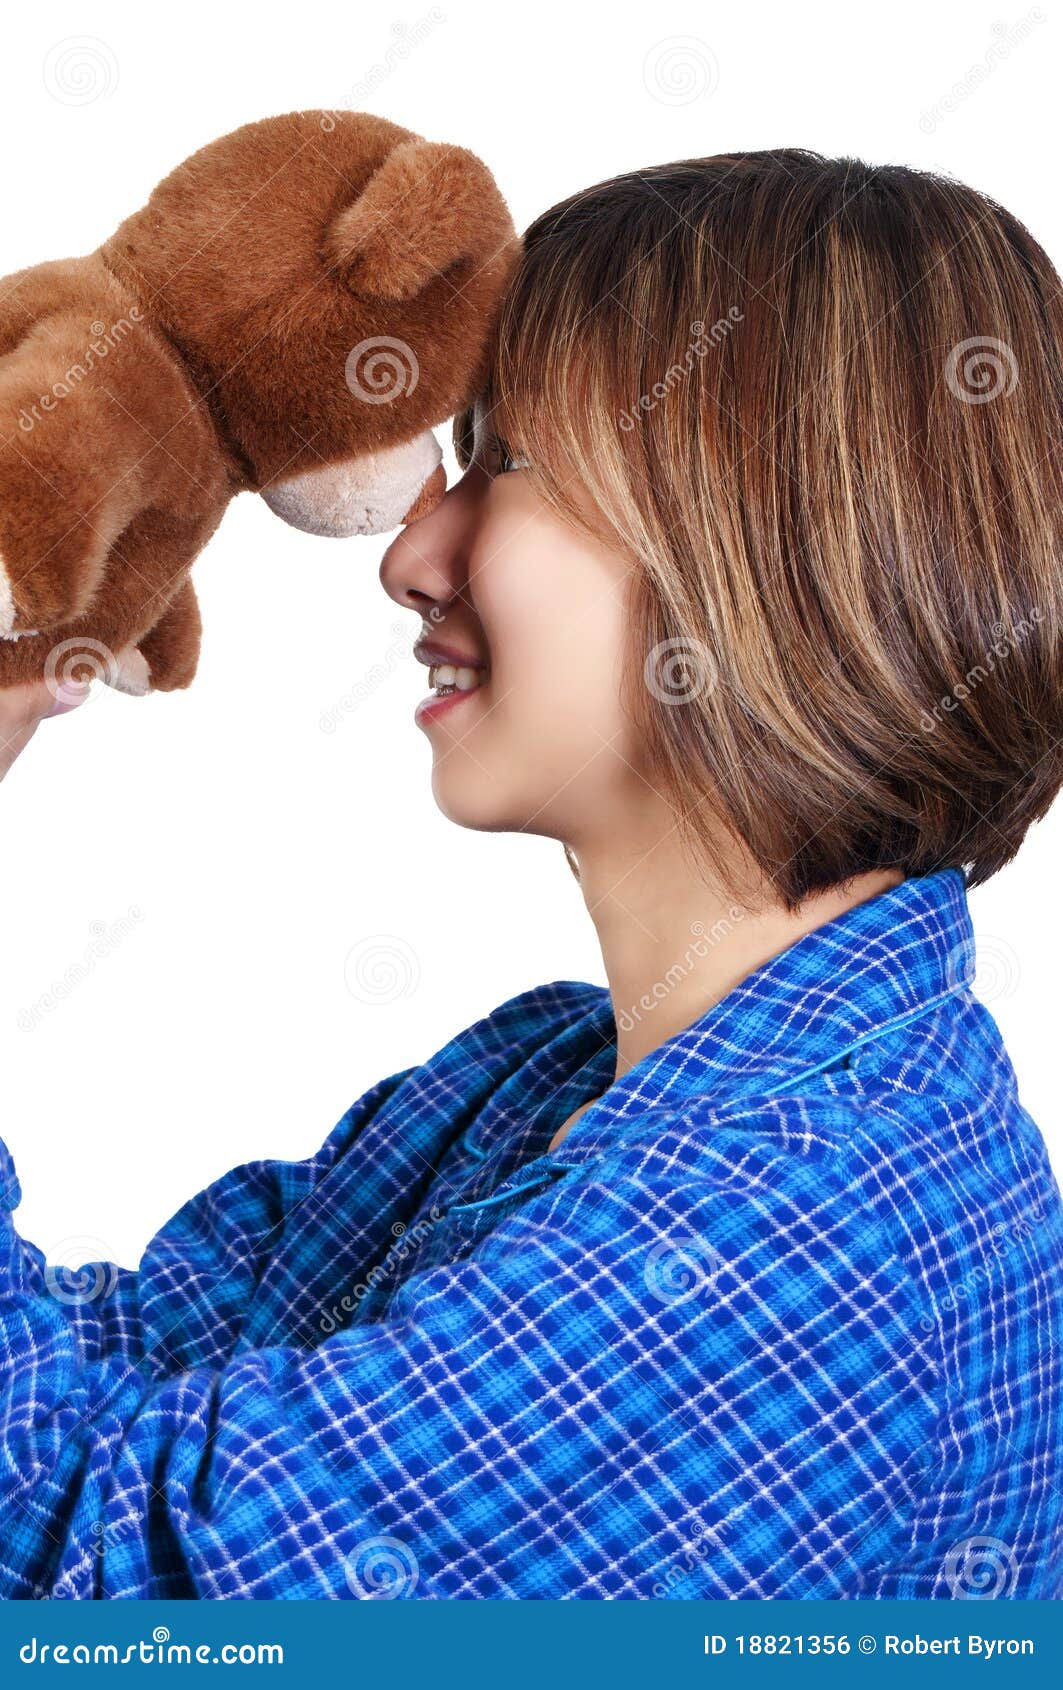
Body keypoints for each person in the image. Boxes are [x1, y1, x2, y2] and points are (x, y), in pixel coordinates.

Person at [1, 149, 1062, 1601]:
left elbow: (84, 1587)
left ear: (764, 540)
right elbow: (122, 1374)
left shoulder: (774, 1238)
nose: (411, 557)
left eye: (505, 459)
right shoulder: (554, 1079)